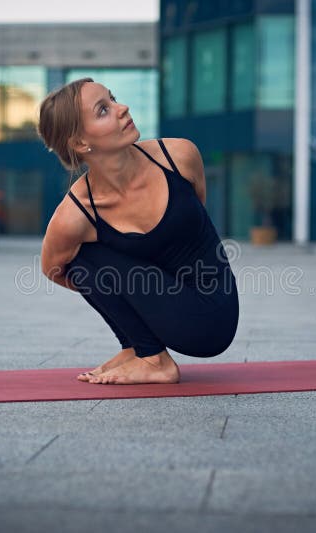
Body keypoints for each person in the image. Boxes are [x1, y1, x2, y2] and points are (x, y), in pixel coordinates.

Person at [38, 78, 239, 385]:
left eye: (114, 98)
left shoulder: (179, 156)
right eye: (104, 109)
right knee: (83, 259)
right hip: (161, 304)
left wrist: (134, 291)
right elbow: (54, 268)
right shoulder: (76, 215)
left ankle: (150, 356)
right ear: (80, 143)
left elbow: (196, 218)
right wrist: (130, 299)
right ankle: (141, 351)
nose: (123, 108)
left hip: (214, 313)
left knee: (91, 258)